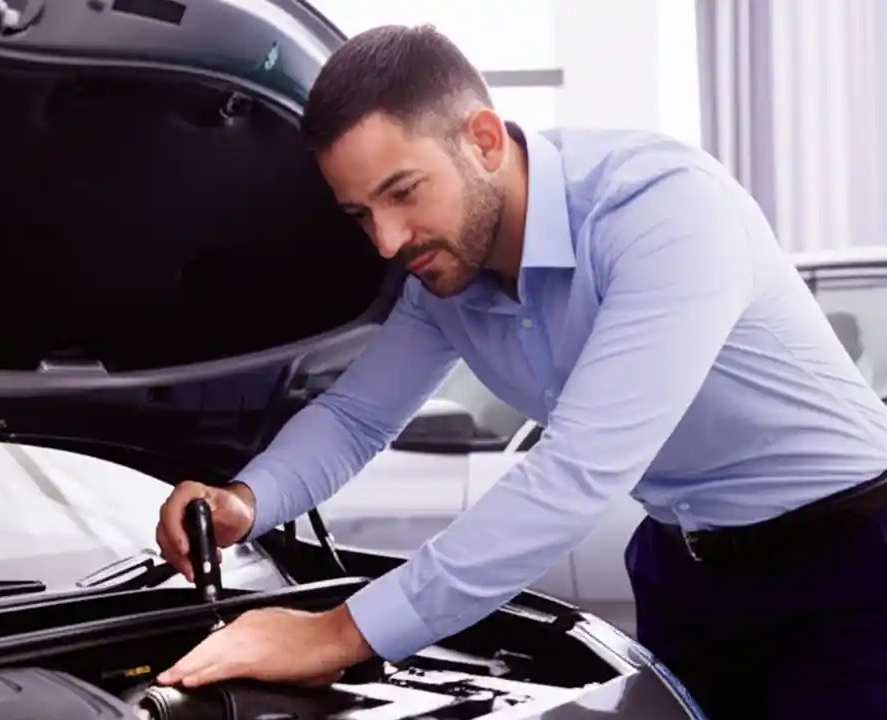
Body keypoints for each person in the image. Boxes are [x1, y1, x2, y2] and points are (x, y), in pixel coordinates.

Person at [151, 24, 887, 718]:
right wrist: (247, 501)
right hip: (683, 569)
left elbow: (576, 471)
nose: (387, 241)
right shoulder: (443, 276)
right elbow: (357, 418)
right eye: (360, 214)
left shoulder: (661, 210)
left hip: (854, 565)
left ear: (483, 139)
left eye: (403, 192)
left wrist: (338, 633)